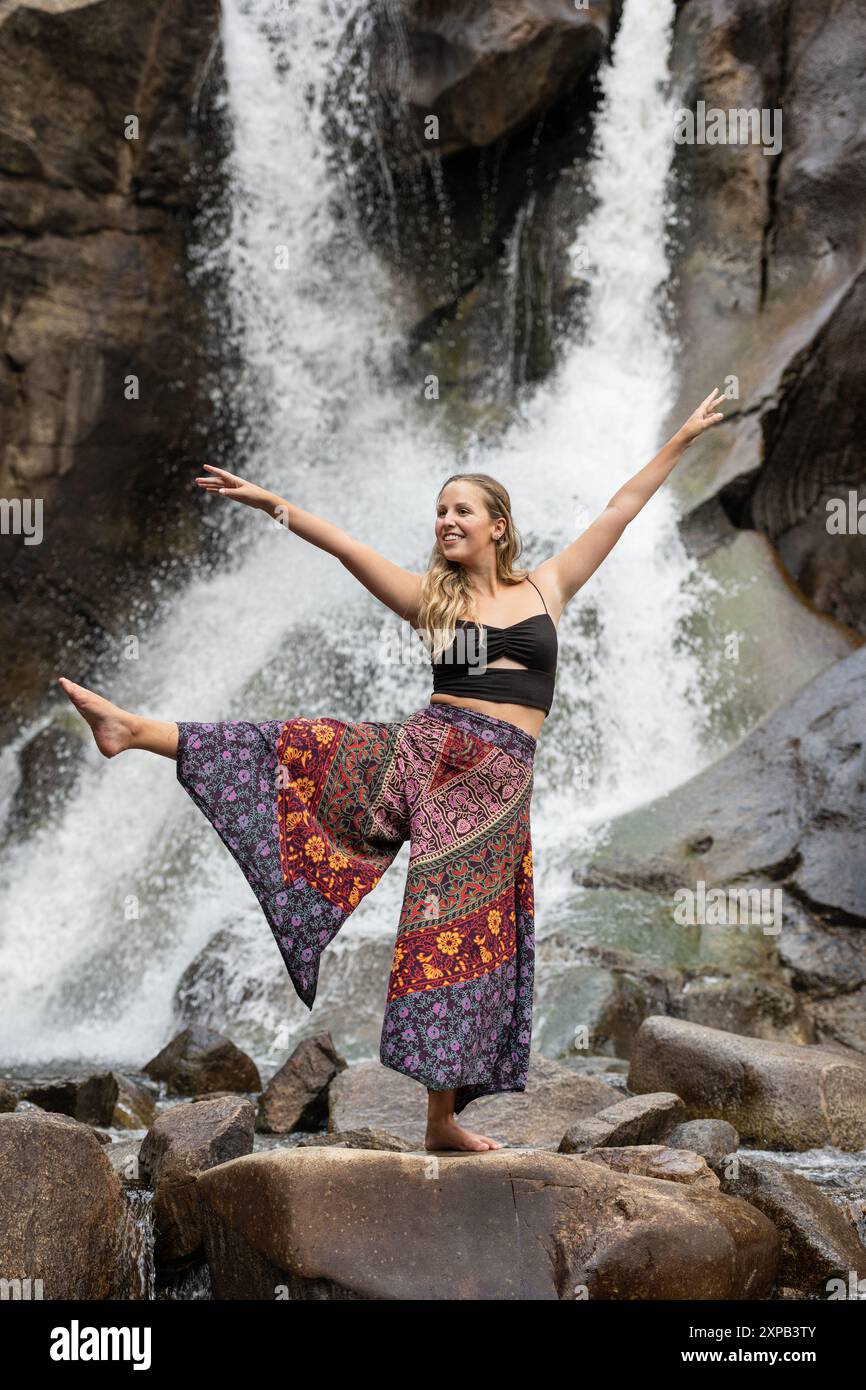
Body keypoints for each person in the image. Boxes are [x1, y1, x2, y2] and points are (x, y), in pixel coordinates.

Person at [59, 389, 725, 1153]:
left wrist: (681, 436)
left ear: (498, 526)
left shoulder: (548, 587)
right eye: (440, 511)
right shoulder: (430, 605)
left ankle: (441, 1122)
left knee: (460, 939)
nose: (446, 520)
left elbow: (620, 507)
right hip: (428, 764)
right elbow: (344, 546)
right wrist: (272, 503)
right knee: (301, 750)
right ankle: (134, 729)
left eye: (462, 510)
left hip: (496, 794)